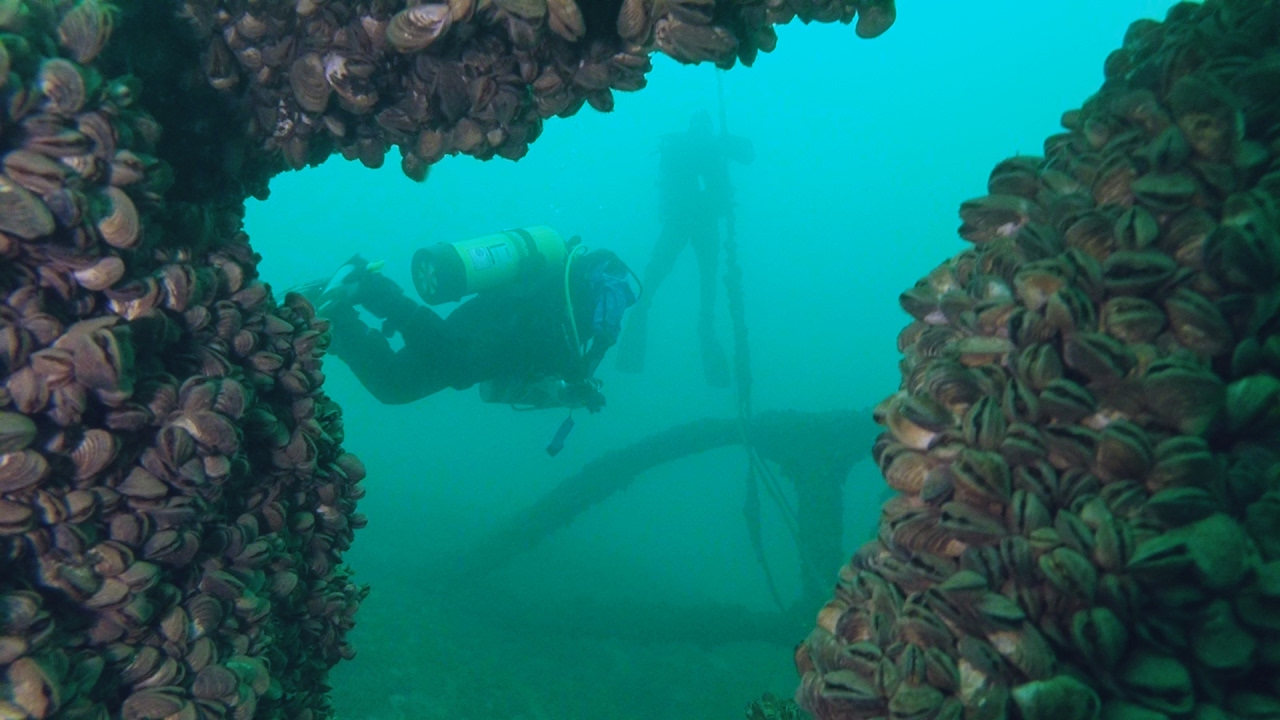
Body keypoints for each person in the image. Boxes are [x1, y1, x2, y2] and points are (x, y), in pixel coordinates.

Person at [298, 233, 637, 430]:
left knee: (394, 386)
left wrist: (573, 387)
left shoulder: (574, 313)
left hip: (493, 330)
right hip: (504, 326)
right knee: (452, 360)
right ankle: (370, 287)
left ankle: (336, 321)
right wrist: (591, 363)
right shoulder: (611, 279)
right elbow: (609, 318)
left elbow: (510, 387)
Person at [615, 109, 754, 388]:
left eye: (706, 125)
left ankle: (703, 327)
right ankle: (644, 316)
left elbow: (748, 155)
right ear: (691, 128)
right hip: (682, 221)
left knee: (705, 283)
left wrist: (728, 142)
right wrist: (717, 144)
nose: (702, 130)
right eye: (698, 125)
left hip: (701, 224)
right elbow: (683, 161)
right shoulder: (680, 146)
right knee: (660, 275)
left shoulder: (714, 146)